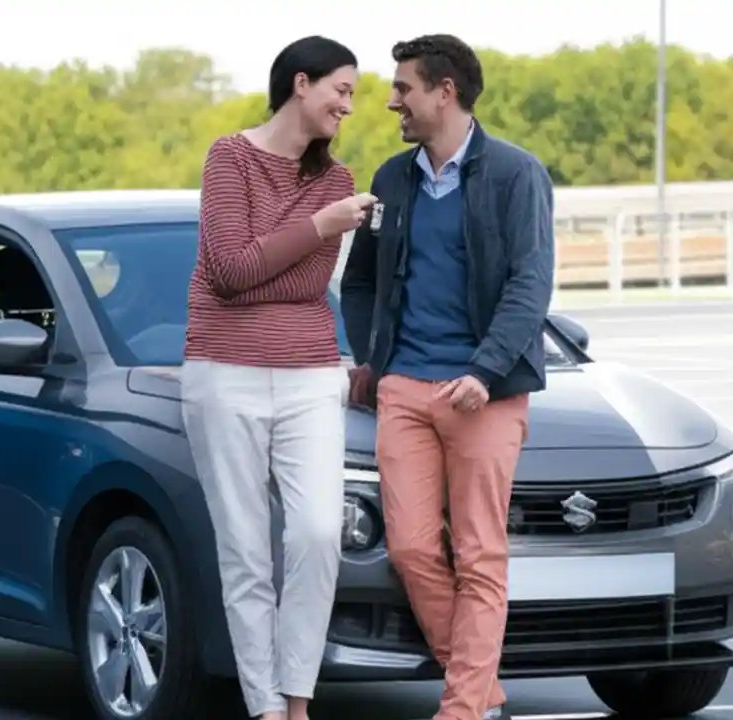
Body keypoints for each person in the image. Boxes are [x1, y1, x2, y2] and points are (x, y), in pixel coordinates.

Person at [340, 34, 556, 720]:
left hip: (484, 395)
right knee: (408, 546)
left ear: (445, 92)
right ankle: (482, 695)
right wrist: (372, 357)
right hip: (403, 387)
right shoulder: (390, 179)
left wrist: (486, 371)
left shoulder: (517, 176)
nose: (391, 100)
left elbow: (531, 286)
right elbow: (361, 282)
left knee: (479, 553)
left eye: (403, 87)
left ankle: (462, 709)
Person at [180, 35, 377, 720]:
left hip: (310, 377)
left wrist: (270, 257)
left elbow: (299, 281)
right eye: (341, 90)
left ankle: (299, 696)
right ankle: (270, 710)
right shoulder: (228, 158)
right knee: (244, 553)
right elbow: (231, 272)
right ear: (301, 83)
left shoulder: (340, 181)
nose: (349, 105)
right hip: (222, 376)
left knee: (319, 534)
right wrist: (315, 228)